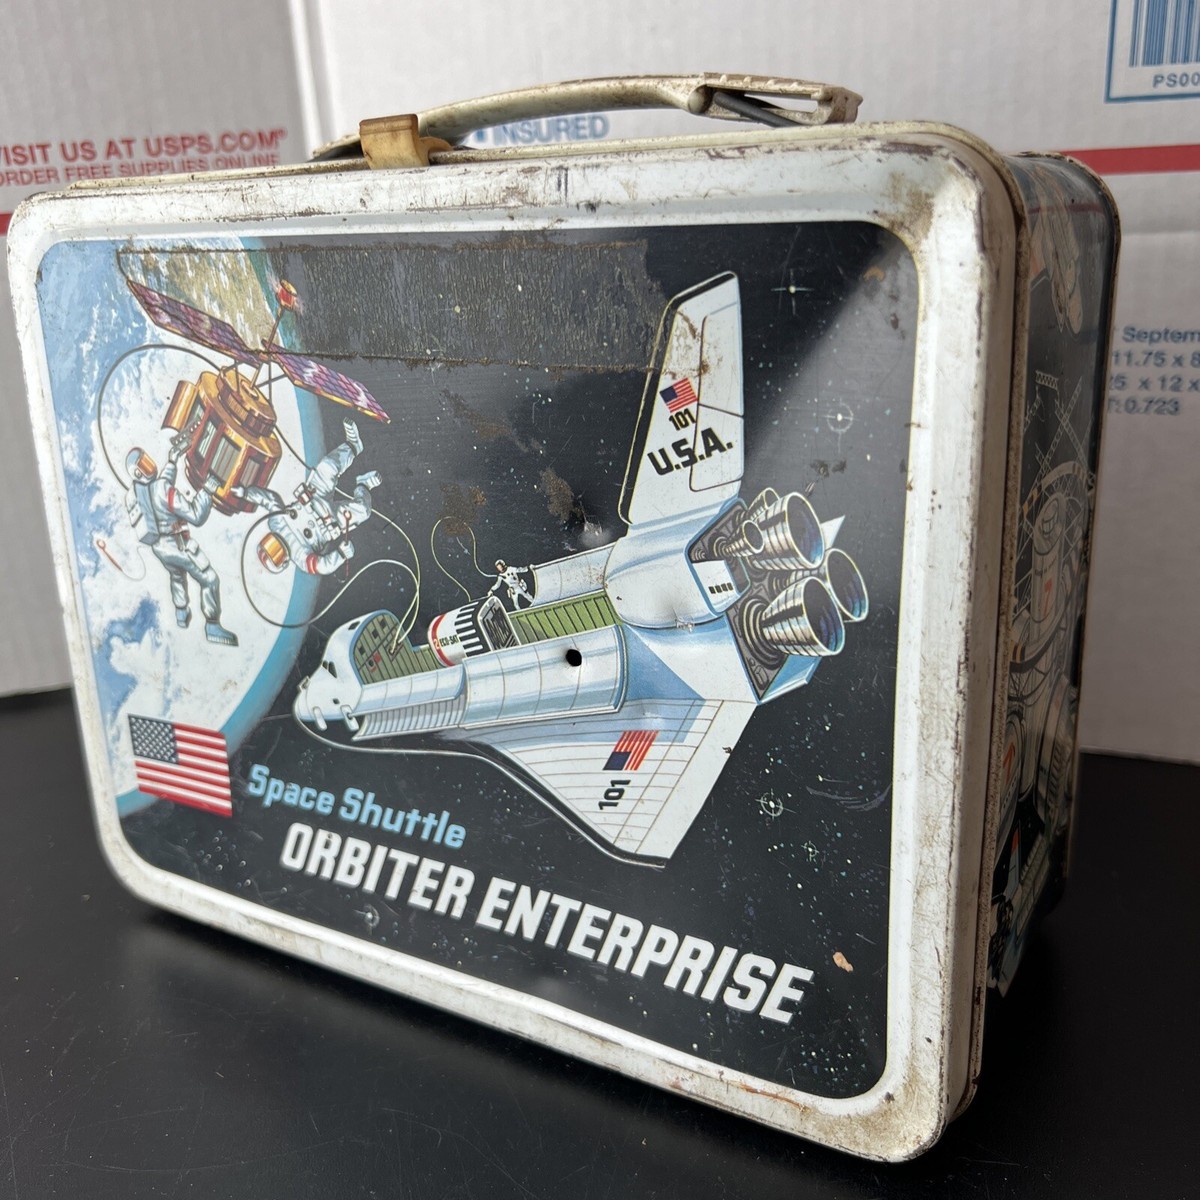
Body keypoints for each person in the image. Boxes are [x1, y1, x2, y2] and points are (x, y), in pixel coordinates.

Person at [125, 435, 237, 646]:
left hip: (160, 548)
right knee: (209, 579)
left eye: (147, 460)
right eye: (144, 464)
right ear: (139, 472)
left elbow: (161, 484)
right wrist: (207, 492)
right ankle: (212, 626)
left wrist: (172, 460)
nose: (150, 465)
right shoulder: (162, 490)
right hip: (178, 544)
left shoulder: (140, 493)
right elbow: (196, 516)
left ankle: (181, 614)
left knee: (177, 575)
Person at [235, 418, 381, 576]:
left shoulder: (276, 523)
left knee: (328, 465)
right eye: (274, 554)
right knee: (363, 511)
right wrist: (340, 555)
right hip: (332, 520)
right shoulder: (301, 557)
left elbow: (270, 500)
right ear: (282, 562)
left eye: (268, 547)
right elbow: (323, 566)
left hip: (314, 496)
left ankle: (353, 446)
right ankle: (363, 485)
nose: (273, 548)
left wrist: (247, 493)